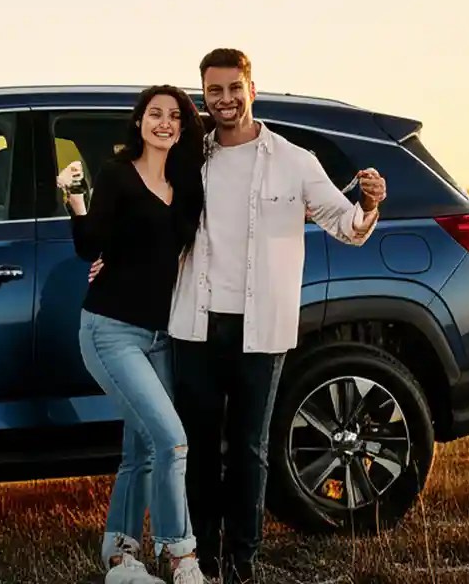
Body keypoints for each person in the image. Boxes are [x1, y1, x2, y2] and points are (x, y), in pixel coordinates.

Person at [89, 49, 387, 583]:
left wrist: (368, 206)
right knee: (197, 449)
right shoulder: (189, 157)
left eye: (234, 89)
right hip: (195, 325)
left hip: (261, 329)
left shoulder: (294, 162)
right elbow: (146, 211)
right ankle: (199, 562)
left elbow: (345, 224)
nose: (224, 100)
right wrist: (114, 259)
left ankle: (242, 565)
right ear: (204, 94)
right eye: (214, 91)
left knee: (250, 450)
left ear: (252, 88)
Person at [56, 84, 208, 584]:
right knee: (173, 442)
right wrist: (74, 198)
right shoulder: (117, 175)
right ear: (139, 121)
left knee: (142, 448)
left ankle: (121, 556)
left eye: (173, 116)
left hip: (160, 335)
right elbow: (89, 245)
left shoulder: (187, 183)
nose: (163, 122)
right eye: (154, 114)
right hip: (110, 330)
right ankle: (180, 556)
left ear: (183, 128)